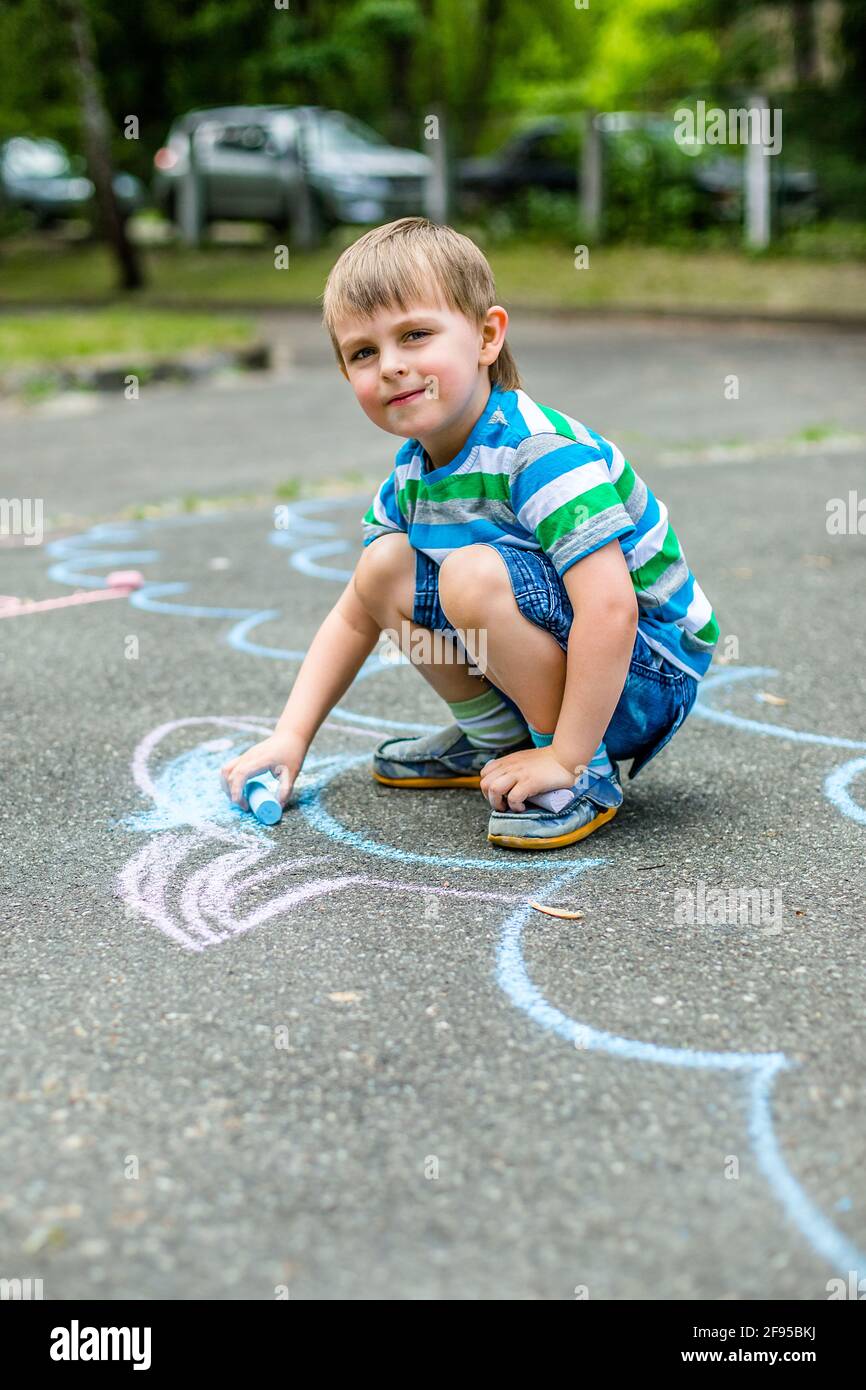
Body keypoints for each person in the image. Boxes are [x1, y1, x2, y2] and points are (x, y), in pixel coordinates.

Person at [221, 217, 719, 850]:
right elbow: (356, 616)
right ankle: (499, 745)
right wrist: (291, 735)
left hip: (645, 673)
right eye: (363, 353)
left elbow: (613, 609)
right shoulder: (411, 475)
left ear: (487, 336)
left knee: (473, 575)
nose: (392, 367)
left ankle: (577, 772)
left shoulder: (539, 451)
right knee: (383, 568)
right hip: (583, 660)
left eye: (416, 335)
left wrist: (567, 754)